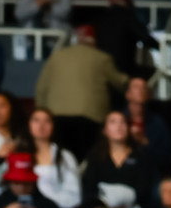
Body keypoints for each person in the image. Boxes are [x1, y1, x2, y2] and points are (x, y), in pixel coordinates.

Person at [34, 22, 127, 157]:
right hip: (90, 120)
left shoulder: (56, 56)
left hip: (56, 118)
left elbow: (41, 89)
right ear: (94, 41)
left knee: (60, 158)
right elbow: (121, 82)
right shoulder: (102, 58)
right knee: (87, 158)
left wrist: (41, 115)